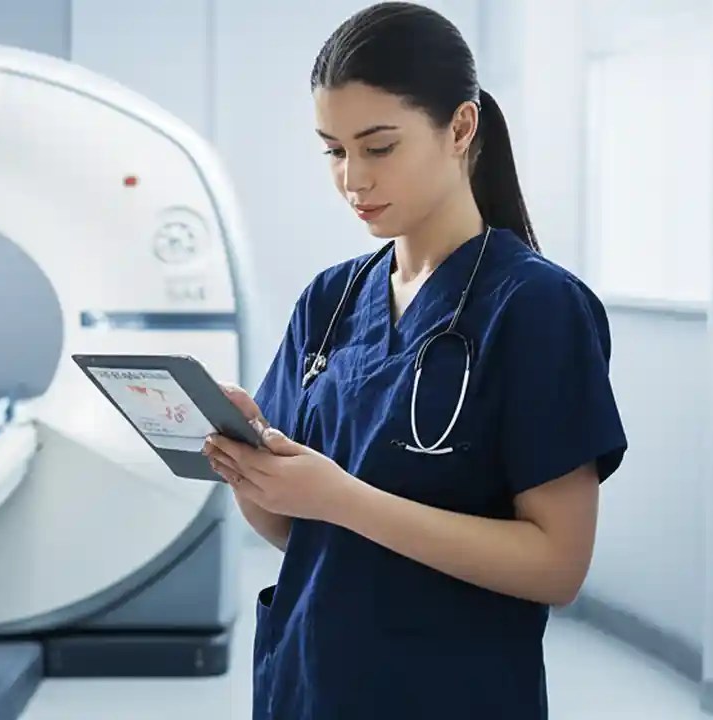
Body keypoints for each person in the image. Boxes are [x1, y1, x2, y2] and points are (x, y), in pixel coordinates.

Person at [201, 3, 628, 719]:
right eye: (334, 150)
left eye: (379, 147)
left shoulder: (535, 307)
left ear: (460, 128)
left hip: (448, 693)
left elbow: (558, 565)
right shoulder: (330, 301)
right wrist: (250, 472)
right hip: (309, 685)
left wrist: (340, 497)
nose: (351, 179)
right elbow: (293, 528)